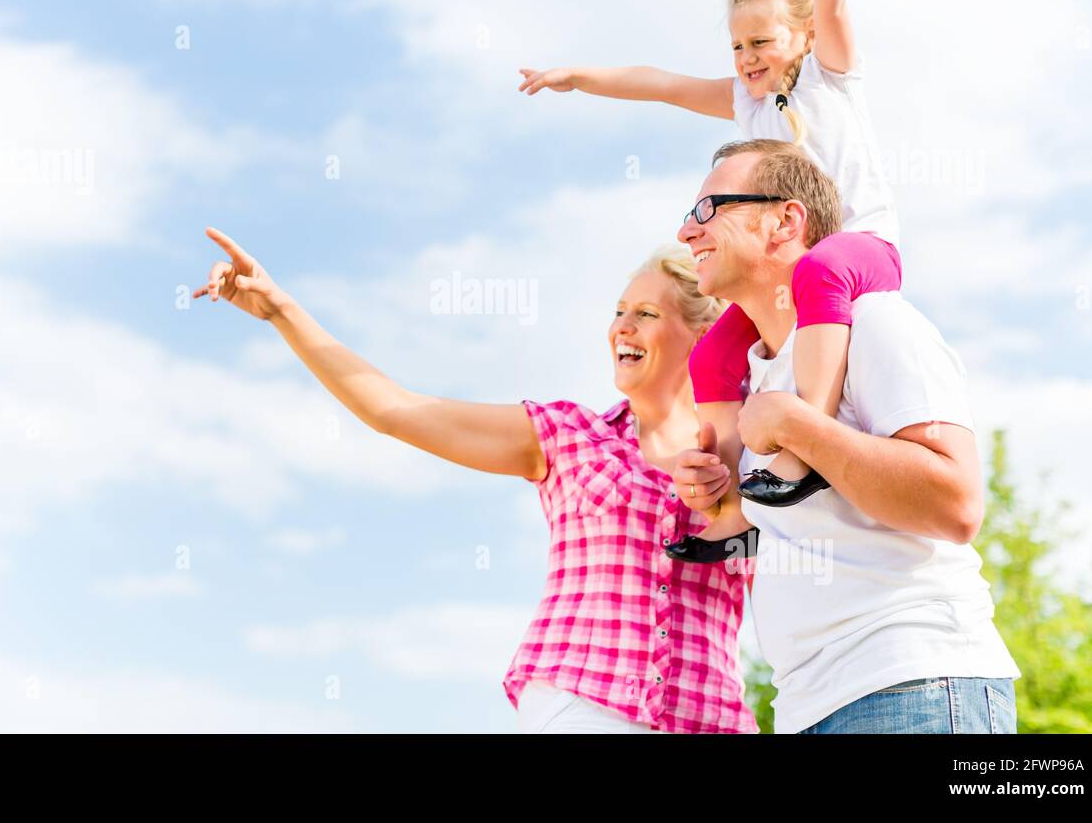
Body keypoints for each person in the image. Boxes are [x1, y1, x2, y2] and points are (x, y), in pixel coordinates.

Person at [194, 229, 758, 733]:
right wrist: (281, 311)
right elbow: (396, 410)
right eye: (619, 310)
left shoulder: (751, 459)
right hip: (586, 706)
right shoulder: (568, 436)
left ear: (703, 332)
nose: (621, 328)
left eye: (646, 314)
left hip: (711, 717)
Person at [520, 0, 902, 554]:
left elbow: (835, 15)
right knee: (714, 354)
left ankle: (801, 449)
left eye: (761, 41)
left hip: (862, 249)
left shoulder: (828, 77)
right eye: (736, 45)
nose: (747, 57)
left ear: (801, 37)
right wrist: (577, 78)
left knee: (818, 267)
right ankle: (732, 506)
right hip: (790, 271)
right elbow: (662, 84)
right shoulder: (744, 102)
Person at [676, 138, 1020, 734]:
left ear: (785, 220)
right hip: (805, 706)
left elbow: (958, 505)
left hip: (912, 686)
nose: (686, 233)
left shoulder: (879, 322)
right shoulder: (754, 375)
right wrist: (714, 488)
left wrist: (798, 426)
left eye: (707, 211)